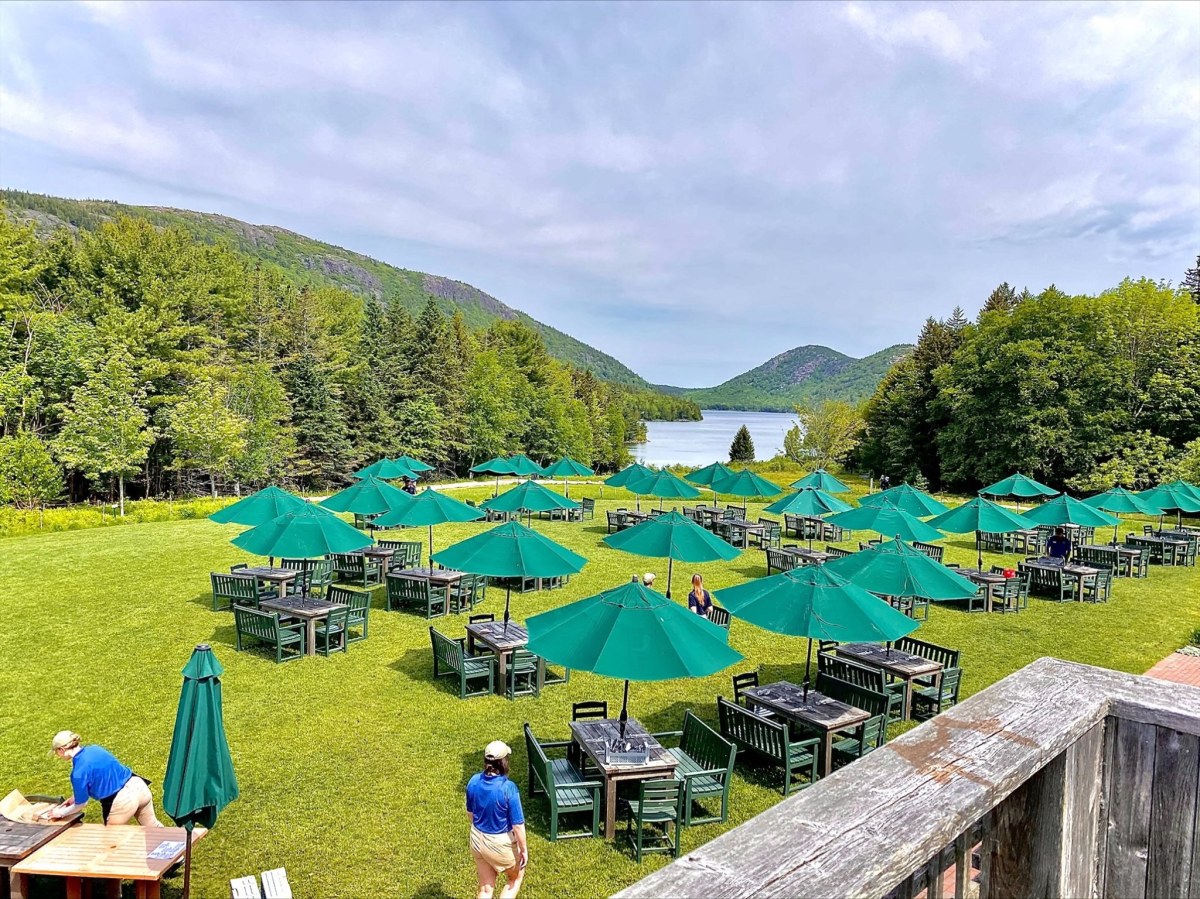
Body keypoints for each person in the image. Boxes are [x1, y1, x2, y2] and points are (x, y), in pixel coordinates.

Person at [46, 731, 162, 826]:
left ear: (62, 749)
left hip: (121, 801)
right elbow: (102, 775)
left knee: (112, 842)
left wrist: (60, 813)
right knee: (154, 828)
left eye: (57, 752)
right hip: (138, 786)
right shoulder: (96, 749)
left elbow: (81, 804)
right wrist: (76, 797)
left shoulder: (78, 772)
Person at [466, 740, 527, 899]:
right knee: (515, 878)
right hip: (500, 843)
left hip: (477, 839)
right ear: (504, 762)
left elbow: (470, 815)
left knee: (486, 889)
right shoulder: (509, 788)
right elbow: (518, 825)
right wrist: (524, 850)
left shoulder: (473, 781)